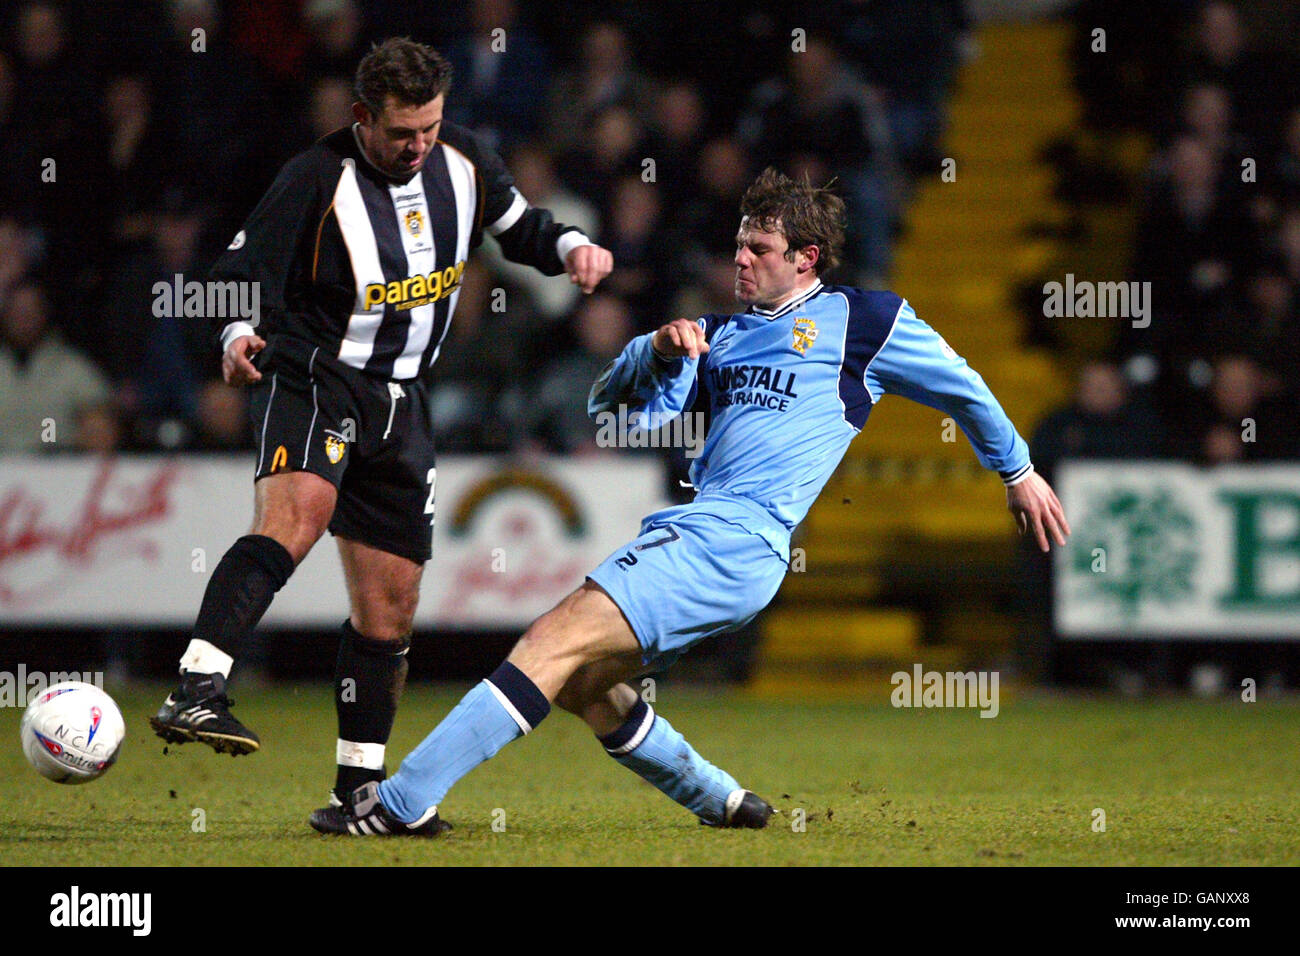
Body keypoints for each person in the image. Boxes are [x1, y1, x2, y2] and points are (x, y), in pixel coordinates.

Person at [309, 167, 1071, 836]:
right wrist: (656, 350)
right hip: (705, 530)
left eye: (759, 250)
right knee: (584, 682)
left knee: (549, 641)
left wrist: (1019, 472)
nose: (739, 259)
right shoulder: (719, 335)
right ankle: (723, 800)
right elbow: (619, 408)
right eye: (738, 245)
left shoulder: (866, 323)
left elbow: (963, 388)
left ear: (806, 261)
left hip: (736, 537)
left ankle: (400, 801)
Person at [150, 38, 614, 810]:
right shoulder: (312, 180)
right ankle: (198, 684)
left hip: (403, 403)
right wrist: (235, 337)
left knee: (390, 607)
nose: (419, 145)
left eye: (430, 127)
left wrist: (570, 245)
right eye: (403, 132)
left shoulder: (463, 159)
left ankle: (358, 791)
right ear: (362, 117)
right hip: (316, 378)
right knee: (296, 517)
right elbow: (239, 274)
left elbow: (517, 224)